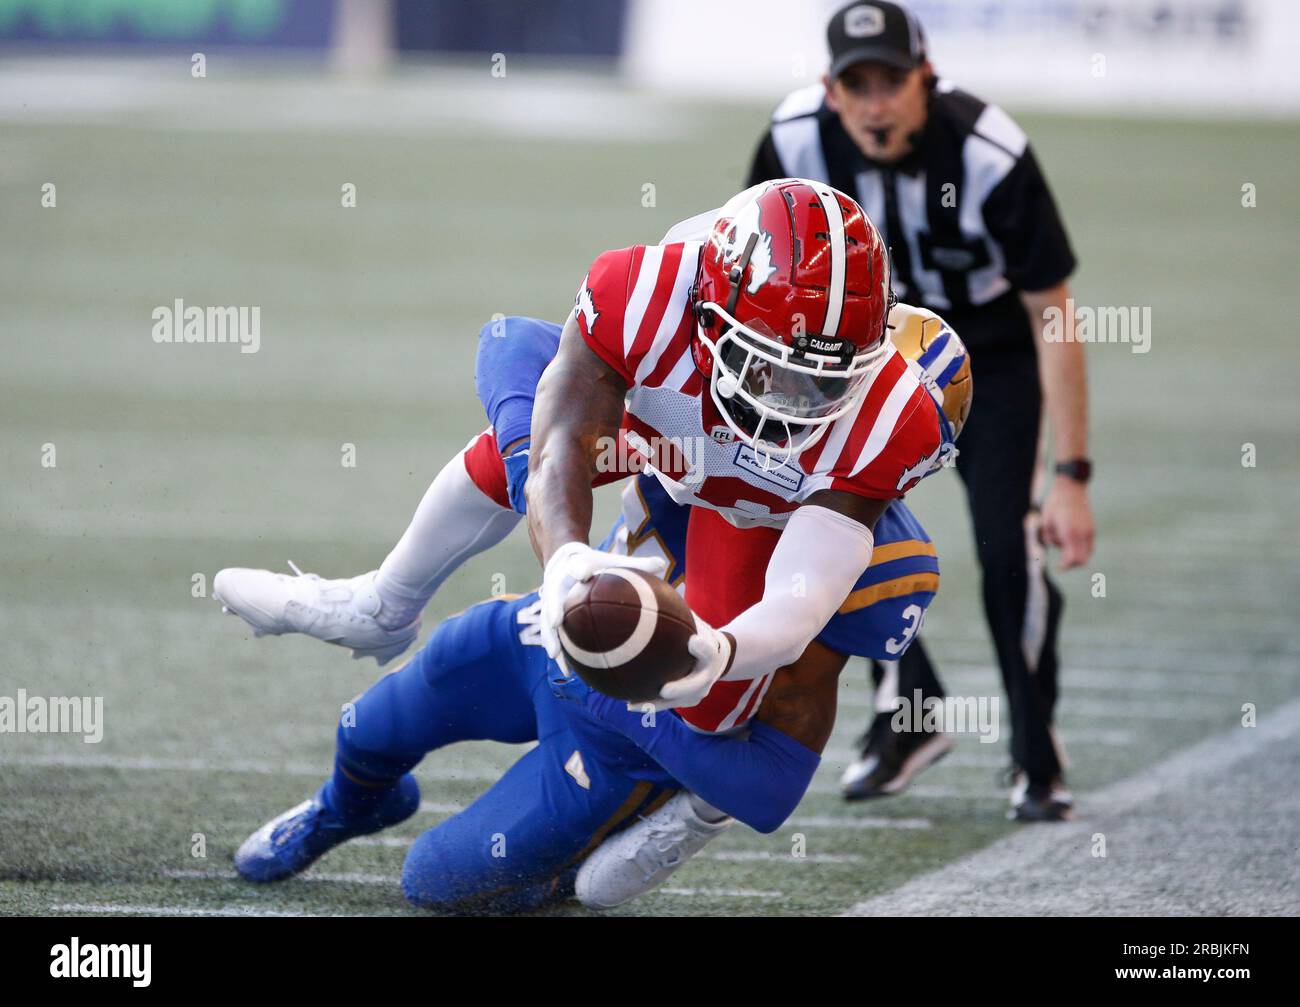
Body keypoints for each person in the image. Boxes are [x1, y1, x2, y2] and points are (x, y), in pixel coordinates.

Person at [220, 181, 972, 906]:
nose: (792, 403)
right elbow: (529, 396)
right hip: (572, 615)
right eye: (773, 367)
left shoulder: (880, 437)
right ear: (711, 318)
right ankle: (382, 613)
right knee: (373, 722)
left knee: (435, 880)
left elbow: (798, 616)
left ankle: (632, 831)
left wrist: (718, 658)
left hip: (630, 728)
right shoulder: (648, 298)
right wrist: (571, 563)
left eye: (824, 383)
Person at [747, 2, 1094, 819]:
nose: (875, 103)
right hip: (867, 353)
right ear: (829, 91)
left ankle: (1036, 753)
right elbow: (755, 264)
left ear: (925, 77)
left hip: (992, 356)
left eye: (891, 82)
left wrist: (1072, 475)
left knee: (1007, 544)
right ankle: (912, 714)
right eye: (855, 84)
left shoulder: (988, 151)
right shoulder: (795, 137)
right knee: (826, 518)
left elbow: (1054, 313)